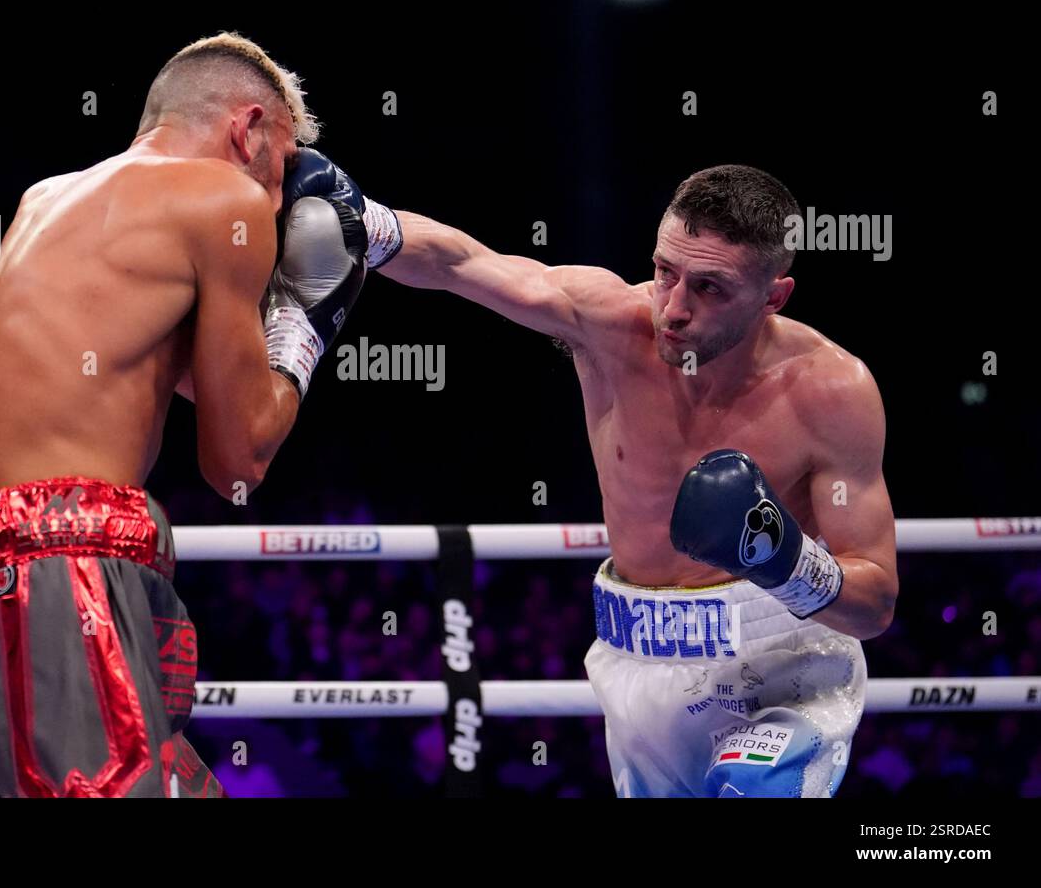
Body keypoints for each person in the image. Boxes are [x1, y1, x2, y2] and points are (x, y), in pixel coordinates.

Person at [0, 33, 392, 797]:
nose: (276, 202)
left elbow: (181, 377)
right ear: (245, 131)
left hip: (9, 568)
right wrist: (307, 323)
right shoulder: (226, 201)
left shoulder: (45, 199)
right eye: (279, 167)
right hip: (66, 561)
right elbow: (238, 458)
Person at [359, 160, 897, 797]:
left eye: (710, 288)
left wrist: (787, 560)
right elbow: (459, 263)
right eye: (665, 271)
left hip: (784, 666)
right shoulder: (609, 324)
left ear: (774, 297)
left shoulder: (832, 390)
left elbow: (875, 605)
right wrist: (357, 220)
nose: (672, 308)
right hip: (638, 659)